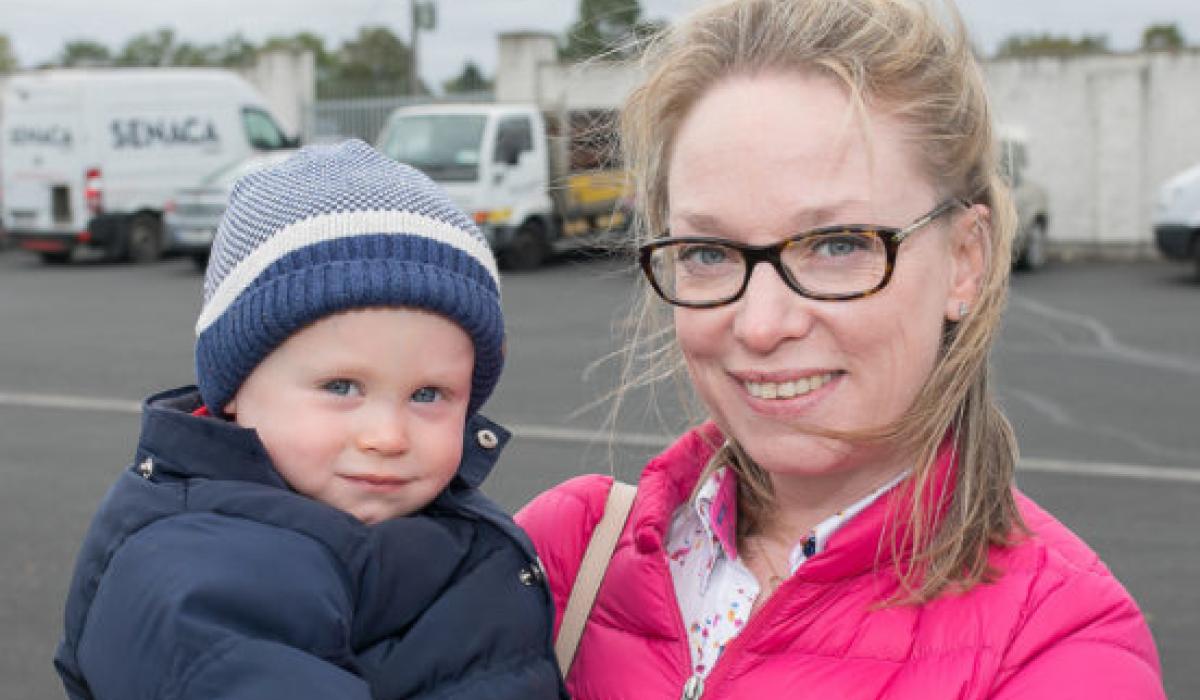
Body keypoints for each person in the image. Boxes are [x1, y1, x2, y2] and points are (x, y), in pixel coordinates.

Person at [516, 1, 1166, 698]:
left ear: (965, 261)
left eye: (837, 245)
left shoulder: (1059, 644)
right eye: (707, 252)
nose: (761, 325)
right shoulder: (561, 557)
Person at [54, 140, 567, 700]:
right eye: (341, 387)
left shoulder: (421, 523)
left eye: (428, 395)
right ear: (234, 389)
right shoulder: (201, 576)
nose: (387, 437)